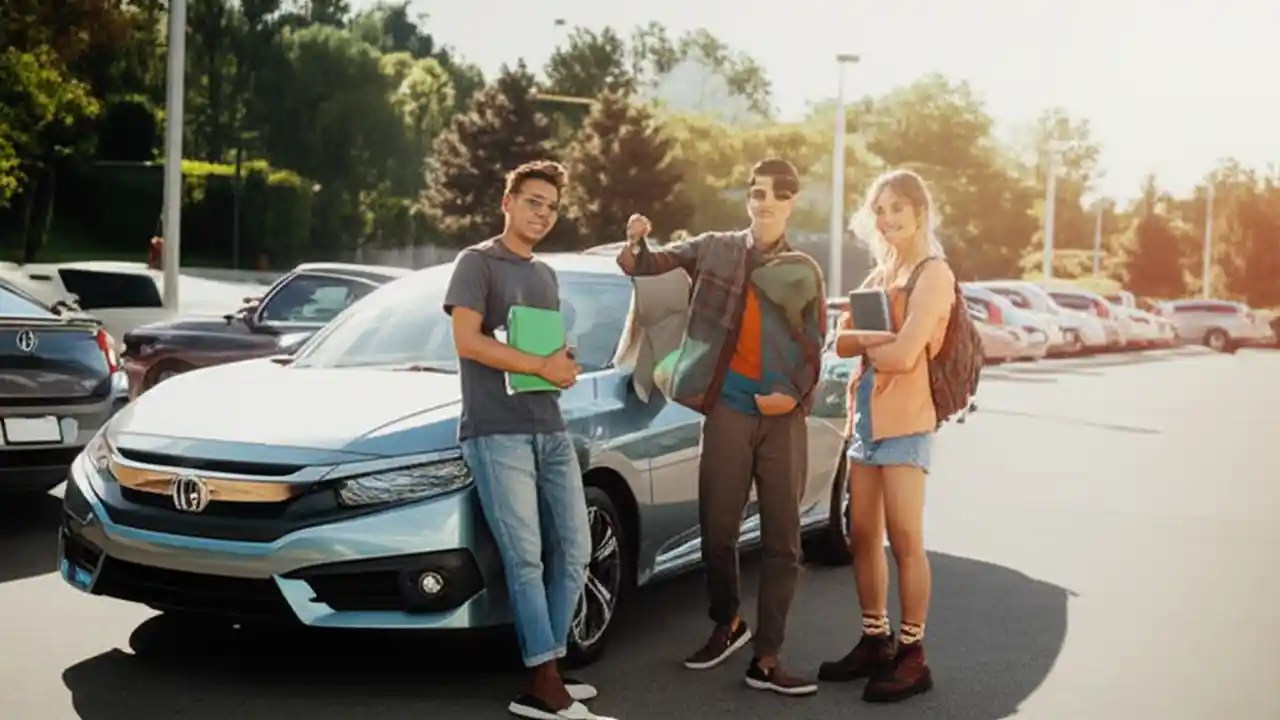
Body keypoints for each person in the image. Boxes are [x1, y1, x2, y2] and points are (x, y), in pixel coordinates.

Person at [618, 158, 827, 697]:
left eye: (776, 194)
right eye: (756, 192)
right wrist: (638, 241)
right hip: (728, 410)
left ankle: (768, 657)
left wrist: (796, 397)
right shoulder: (716, 247)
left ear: (791, 201)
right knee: (716, 530)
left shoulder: (803, 268)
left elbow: (813, 343)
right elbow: (648, 264)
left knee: (783, 542)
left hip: (782, 418)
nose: (764, 201)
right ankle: (727, 622)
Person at [444, 160, 617, 720]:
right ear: (508, 202)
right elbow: (468, 342)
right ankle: (543, 684)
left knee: (575, 548)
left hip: (549, 425)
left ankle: (550, 667)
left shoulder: (543, 275)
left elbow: (540, 351)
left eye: (551, 206)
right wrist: (540, 363)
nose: (542, 213)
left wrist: (561, 364)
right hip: (497, 432)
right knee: (525, 558)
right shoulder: (475, 263)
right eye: (533, 201)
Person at [818, 169, 957, 703]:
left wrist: (872, 342)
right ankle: (875, 639)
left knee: (904, 541)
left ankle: (913, 653)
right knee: (861, 538)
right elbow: (840, 340)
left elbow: (901, 356)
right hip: (866, 425)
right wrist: (880, 341)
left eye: (897, 207)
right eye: (879, 209)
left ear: (919, 211)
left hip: (906, 426)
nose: (887, 217)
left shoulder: (932, 274)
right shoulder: (879, 276)